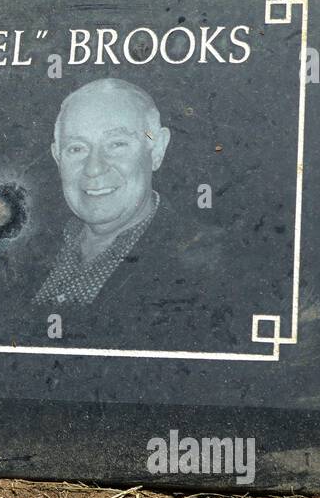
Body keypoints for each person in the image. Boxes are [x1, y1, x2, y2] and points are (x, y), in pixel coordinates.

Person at [27, 77, 239, 349]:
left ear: (157, 148)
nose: (94, 168)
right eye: (76, 148)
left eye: (117, 144)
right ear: (58, 158)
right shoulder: (25, 252)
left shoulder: (211, 268)